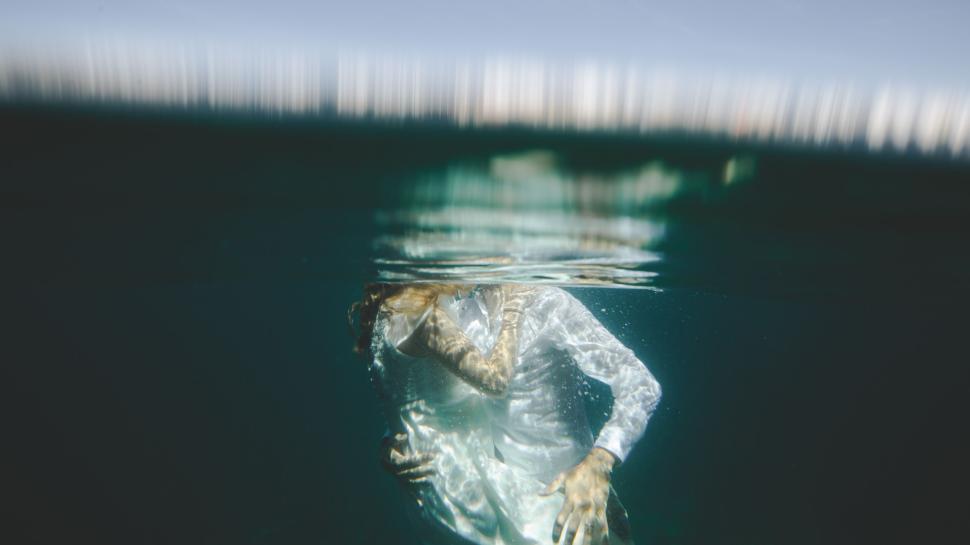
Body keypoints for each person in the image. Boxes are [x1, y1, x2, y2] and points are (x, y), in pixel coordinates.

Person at [354, 284, 662, 545]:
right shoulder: (461, 313)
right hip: (498, 504)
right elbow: (442, 401)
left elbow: (640, 383)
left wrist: (601, 462)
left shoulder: (549, 303)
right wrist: (396, 444)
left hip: (569, 506)